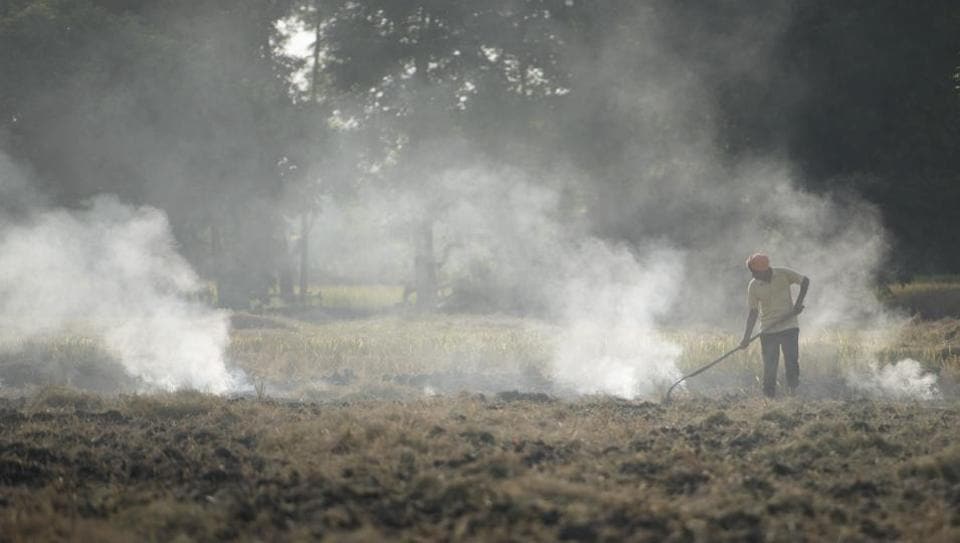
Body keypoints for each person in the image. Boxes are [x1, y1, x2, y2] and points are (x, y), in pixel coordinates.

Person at [738, 253, 810, 398]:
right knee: (770, 365)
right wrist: (746, 338)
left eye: (754, 272)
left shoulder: (783, 274)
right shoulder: (753, 286)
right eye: (752, 271)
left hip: (789, 326)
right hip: (767, 330)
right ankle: (769, 398)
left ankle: (793, 392)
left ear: (764, 269)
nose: (752, 274)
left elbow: (805, 281)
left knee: (791, 360)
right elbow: (753, 312)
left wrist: (798, 304)